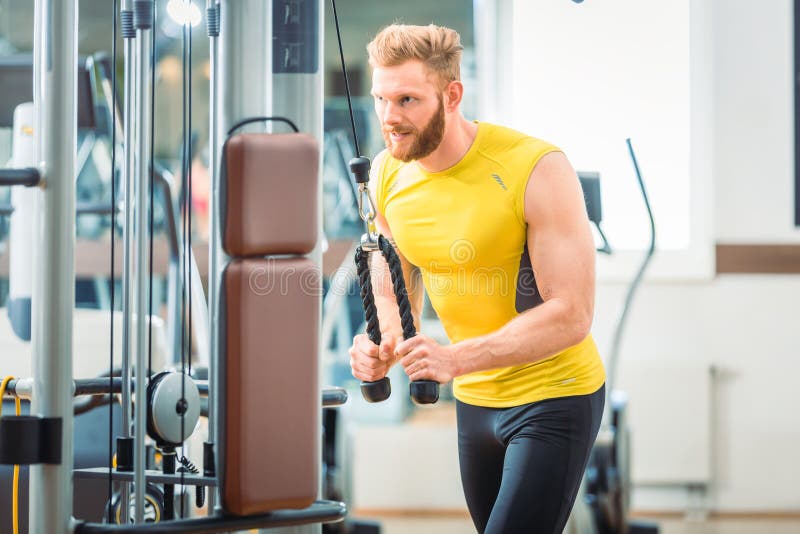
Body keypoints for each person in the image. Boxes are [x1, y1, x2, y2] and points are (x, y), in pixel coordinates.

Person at [348, 23, 606, 534]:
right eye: (381, 99)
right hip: (476, 402)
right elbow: (392, 273)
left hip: (555, 394)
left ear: (452, 95)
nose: (389, 118)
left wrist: (454, 358)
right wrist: (382, 341)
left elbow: (571, 314)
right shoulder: (386, 173)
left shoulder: (535, 167)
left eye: (407, 100)